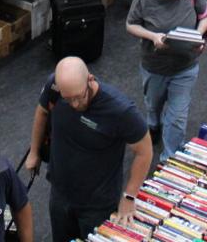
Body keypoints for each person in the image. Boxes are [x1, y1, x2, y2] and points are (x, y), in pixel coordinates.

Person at [23, 57, 151, 242]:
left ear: (90, 79)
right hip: (60, 192)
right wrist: (34, 152)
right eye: (68, 99)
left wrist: (129, 197)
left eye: (79, 97)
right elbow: (42, 111)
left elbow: (144, 151)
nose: (75, 105)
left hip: (97, 204)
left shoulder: (120, 110)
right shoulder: (55, 86)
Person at [125, 0, 207, 163]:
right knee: (153, 104)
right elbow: (131, 25)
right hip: (155, 67)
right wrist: (153, 36)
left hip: (185, 66)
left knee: (178, 115)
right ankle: (153, 123)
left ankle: (169, 159)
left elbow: (206, 14)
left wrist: (197, 35)